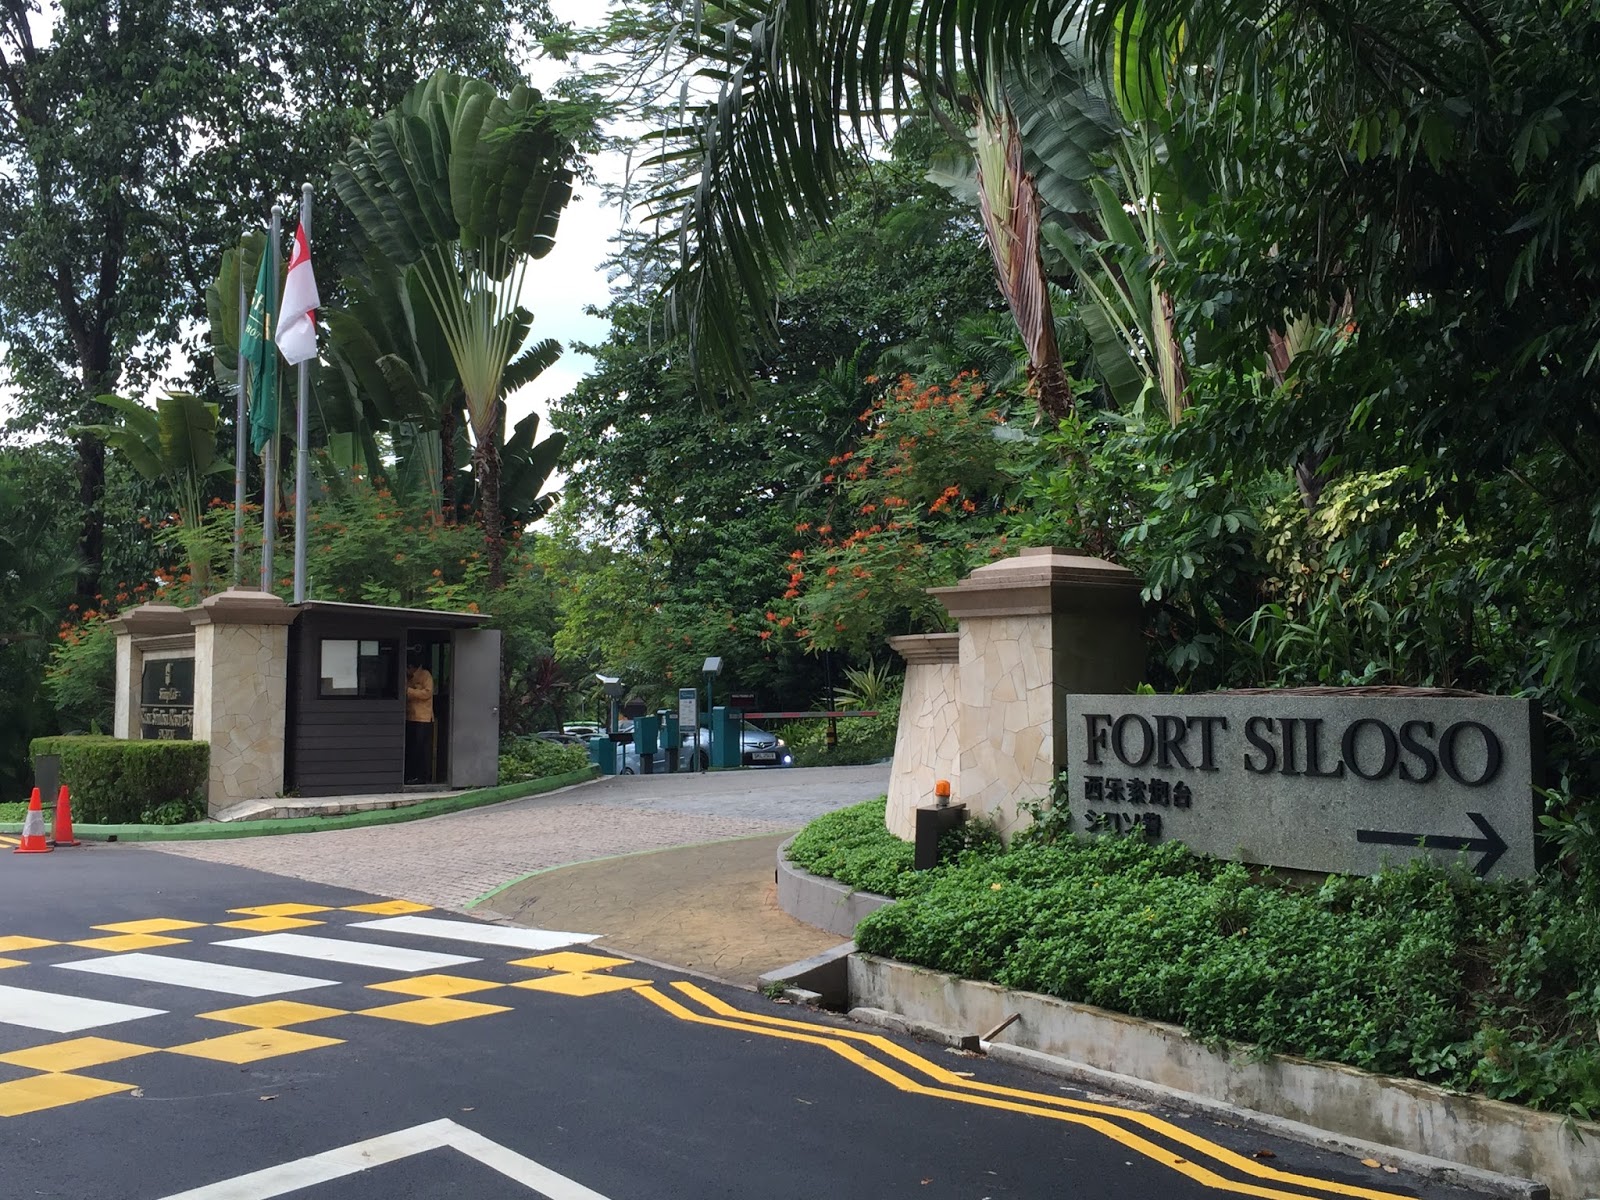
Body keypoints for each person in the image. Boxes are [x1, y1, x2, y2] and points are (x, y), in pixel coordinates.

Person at [405, 647, 435, 784]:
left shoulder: (425, 675)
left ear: (412, 667)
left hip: (423, 717)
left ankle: (423, 776)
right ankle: (412, 774)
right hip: (410, 716)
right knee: (412, 747)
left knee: (421, 748)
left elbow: (427, 693)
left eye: (408, 668)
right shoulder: (409, 678)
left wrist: (410, 691)